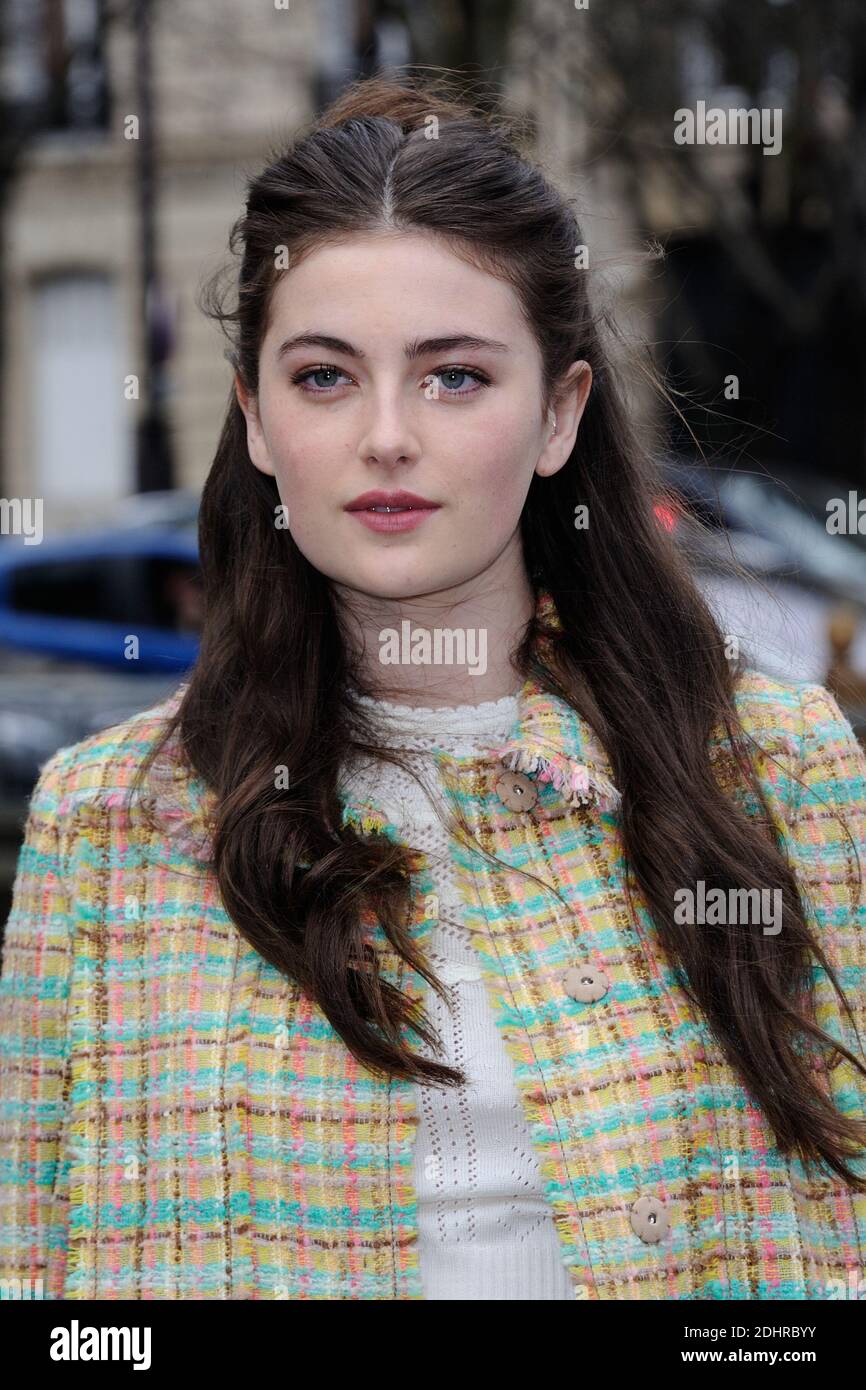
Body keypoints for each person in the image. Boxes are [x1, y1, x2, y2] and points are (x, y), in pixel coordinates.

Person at [1, 72, 865, 1303]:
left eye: (454, 374)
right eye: (322, 376)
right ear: (252, 419)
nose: (387, 435)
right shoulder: (104, 826)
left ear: (558, 412)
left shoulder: (781, 775)